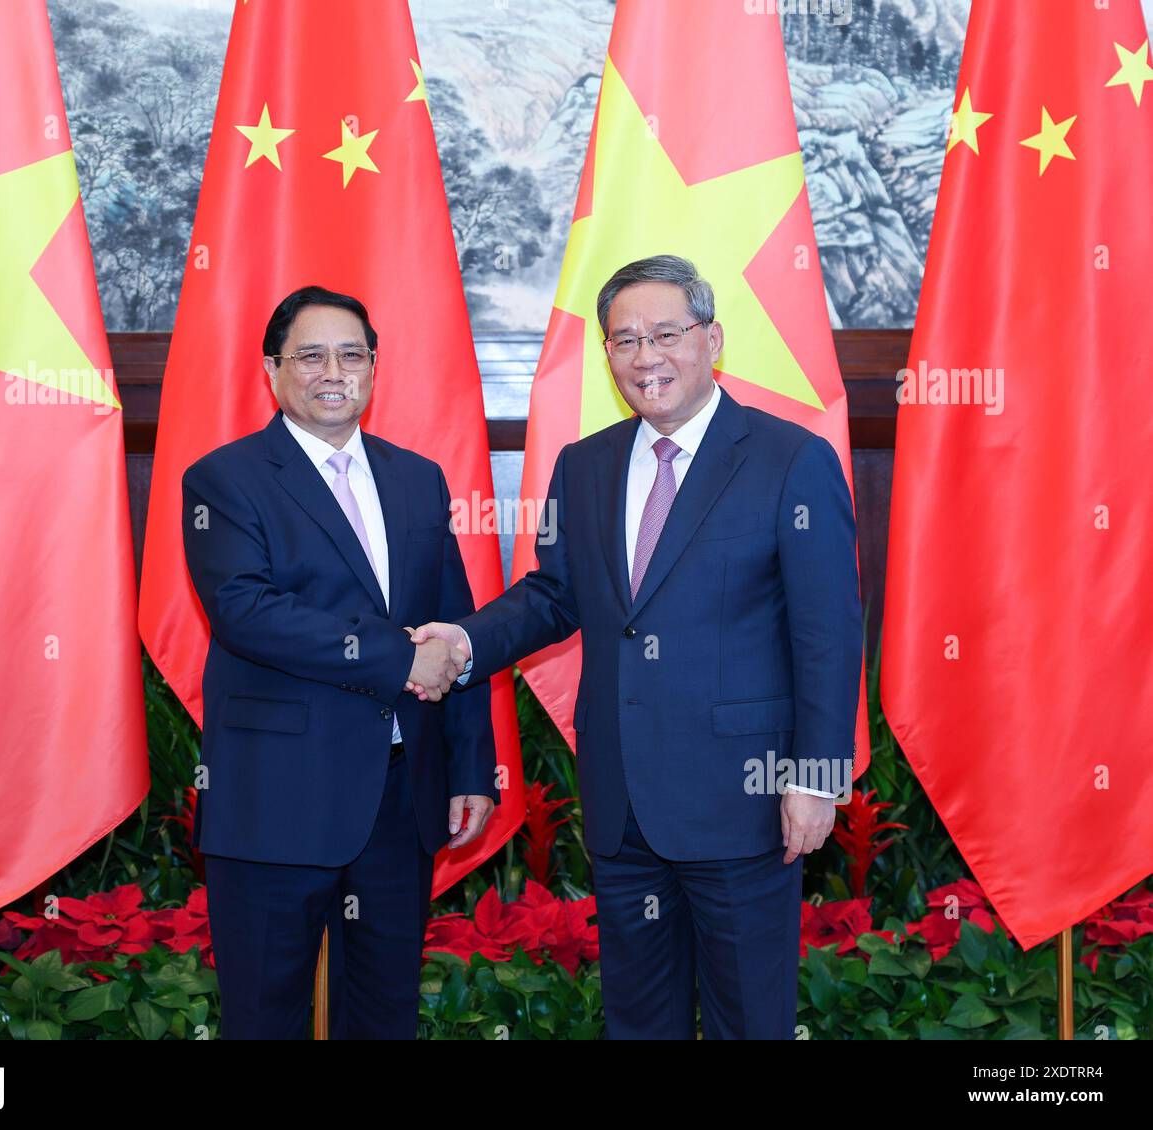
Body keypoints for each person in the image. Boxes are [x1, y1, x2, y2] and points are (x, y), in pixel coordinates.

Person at [409, 255, 863, 1039]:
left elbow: (829, 632)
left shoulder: (791, 459)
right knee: (637, 1022)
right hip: (623, 805)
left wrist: (818, 778)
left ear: (712, 339)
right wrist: (464, 641)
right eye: (625, 341)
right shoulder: (585, 467)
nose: (646, 356)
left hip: (747, 802)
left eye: (665, 334)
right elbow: (555, 595)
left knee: (748, 1021)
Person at [182, 285, 497, 1039]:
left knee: (384, 1016)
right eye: (311, 355)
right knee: (264, 1018)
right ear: (272, 370)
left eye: (351, 354)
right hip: (276, 799)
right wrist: (399, 661)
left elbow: (453, 630)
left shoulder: (417, 478)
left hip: (400, 799)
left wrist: (469, 767)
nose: (334, 371)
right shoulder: (225, 479)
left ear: (374, 368)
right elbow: (247, 612)